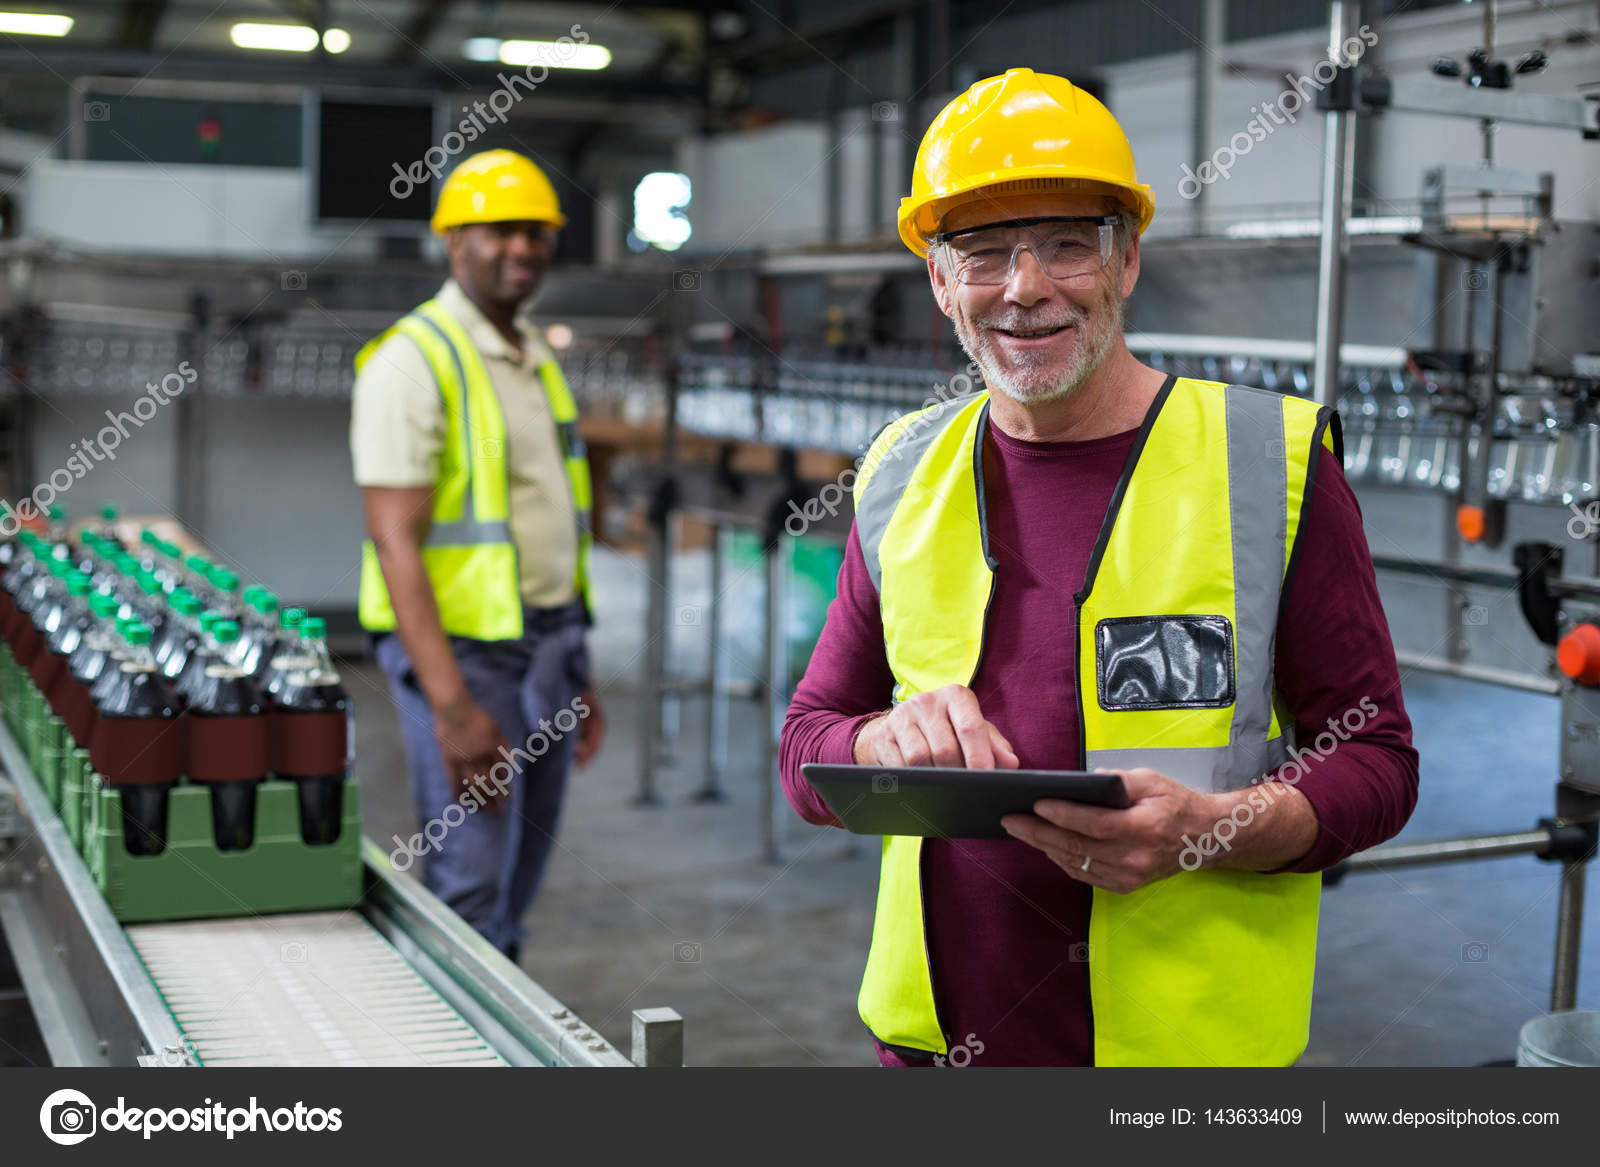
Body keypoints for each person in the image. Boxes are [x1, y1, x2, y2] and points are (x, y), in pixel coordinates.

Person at [779, 69, 1419, 1066]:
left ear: (1125, 262)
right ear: (941, 282)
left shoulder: (1268, 463)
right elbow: (805, 748)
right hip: (933, 1053)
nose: (1024, 287)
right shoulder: (901, 472)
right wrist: (876, 745)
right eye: (983, 254)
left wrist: (1215, 828)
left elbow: (1375, 761)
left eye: (1066, 245)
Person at [352, 149, 604, 961]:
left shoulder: (532, 357)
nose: (522, 248)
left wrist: (578, 667)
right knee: (470, 881)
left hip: (549, 648)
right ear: (454, 239)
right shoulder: (411, 361)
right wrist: (453, 707)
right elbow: (396, 541)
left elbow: (548, 519)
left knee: (521, 875)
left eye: (536, 233)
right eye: (501, 230)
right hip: (468, 657)